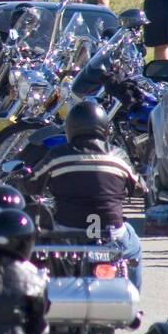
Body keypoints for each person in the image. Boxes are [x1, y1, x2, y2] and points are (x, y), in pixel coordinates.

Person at [22, 99, 145, 289]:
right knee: (134, 246)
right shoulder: (118, 157)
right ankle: (134, 295)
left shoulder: (57, 156)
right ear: (104, 128)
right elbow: (141, 188)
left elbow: (30, 184)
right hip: (110, 232)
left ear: (70, 128)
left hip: (68, 230)